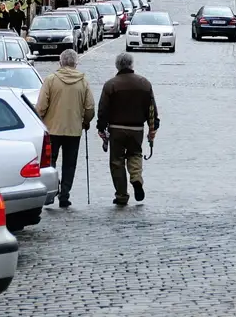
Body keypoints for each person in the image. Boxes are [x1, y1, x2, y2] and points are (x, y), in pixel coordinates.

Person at [97, 52, 159, 206]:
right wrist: (153, 125)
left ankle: (122, 195)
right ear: (132, 65)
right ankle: (136, 178)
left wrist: (101, 126)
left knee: (117, 162)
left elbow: (103, 109)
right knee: (135, 155)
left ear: (117, 66)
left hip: (116, 128)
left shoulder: (110, 85)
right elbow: (151, 108)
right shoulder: (144, 83)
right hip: (137, 128)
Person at [36, 49, 95, 208]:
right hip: (74, 130)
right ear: (76, 63)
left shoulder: (51, 80)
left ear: (60, 62)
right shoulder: (83, 82)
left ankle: (54, 188)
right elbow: (90, 108)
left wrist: (39, 119)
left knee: (50, 161)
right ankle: (65, 194)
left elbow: (41, 106)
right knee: (70, 163)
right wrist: (85, 122)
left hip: (52, 129)